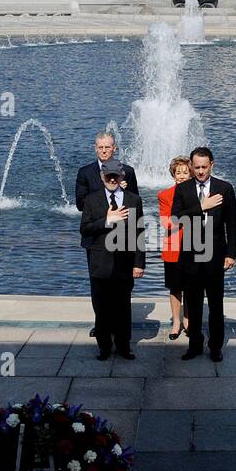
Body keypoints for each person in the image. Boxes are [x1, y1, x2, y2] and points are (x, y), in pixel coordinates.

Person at [171, 146, 236, 363]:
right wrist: (202, 206)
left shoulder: (224, 188)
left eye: (204, 167)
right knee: (194, 303)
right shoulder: (184, 189)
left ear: (212, 165)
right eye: (196, 167)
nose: (200, 171)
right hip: (190, 255)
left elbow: (232, 224)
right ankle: (195, 345)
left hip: (215, 254)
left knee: (216, 304)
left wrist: (231, 253)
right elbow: (176, 219)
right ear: (191, 166)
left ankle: (216, 346)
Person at [79, 160, 144, 361]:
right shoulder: (92, 200)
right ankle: (104, 347)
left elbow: (139, 232)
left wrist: (139, 263)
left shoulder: (133, 200)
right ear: (102, 177)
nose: (113, 179)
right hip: (100, 262)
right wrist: (107, 221)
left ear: (122, 177)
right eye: (109, 176)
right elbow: (85, 229)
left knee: (123, 306)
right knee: (102, 308)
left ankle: (124, 347)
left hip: (124, 262)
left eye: (116, 176)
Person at [75, 132, 137, 338]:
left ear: (115, 148)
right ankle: (101, 323)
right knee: (98, 285)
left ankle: (120, 326)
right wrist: (107, 211)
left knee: (122, 284)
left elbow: (135, 205)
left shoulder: (127, 172)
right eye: (100, 147)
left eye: (107, 147)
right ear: (95, 148)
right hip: (96, 239)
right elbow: (80, 204)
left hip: (122, 239)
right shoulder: (85, 172)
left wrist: (123, 192)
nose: (104, 151)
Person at [157, 156, 192, 341]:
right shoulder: (165, 195)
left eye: (185, 172)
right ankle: (176, 323)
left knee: (191, 287)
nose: (181, 176)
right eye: (178, 172)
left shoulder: (198, 194)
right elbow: (166, 222)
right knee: (175, 287)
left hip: (195, 247)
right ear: (173, 174)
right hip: (173, 247)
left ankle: (188, 321)